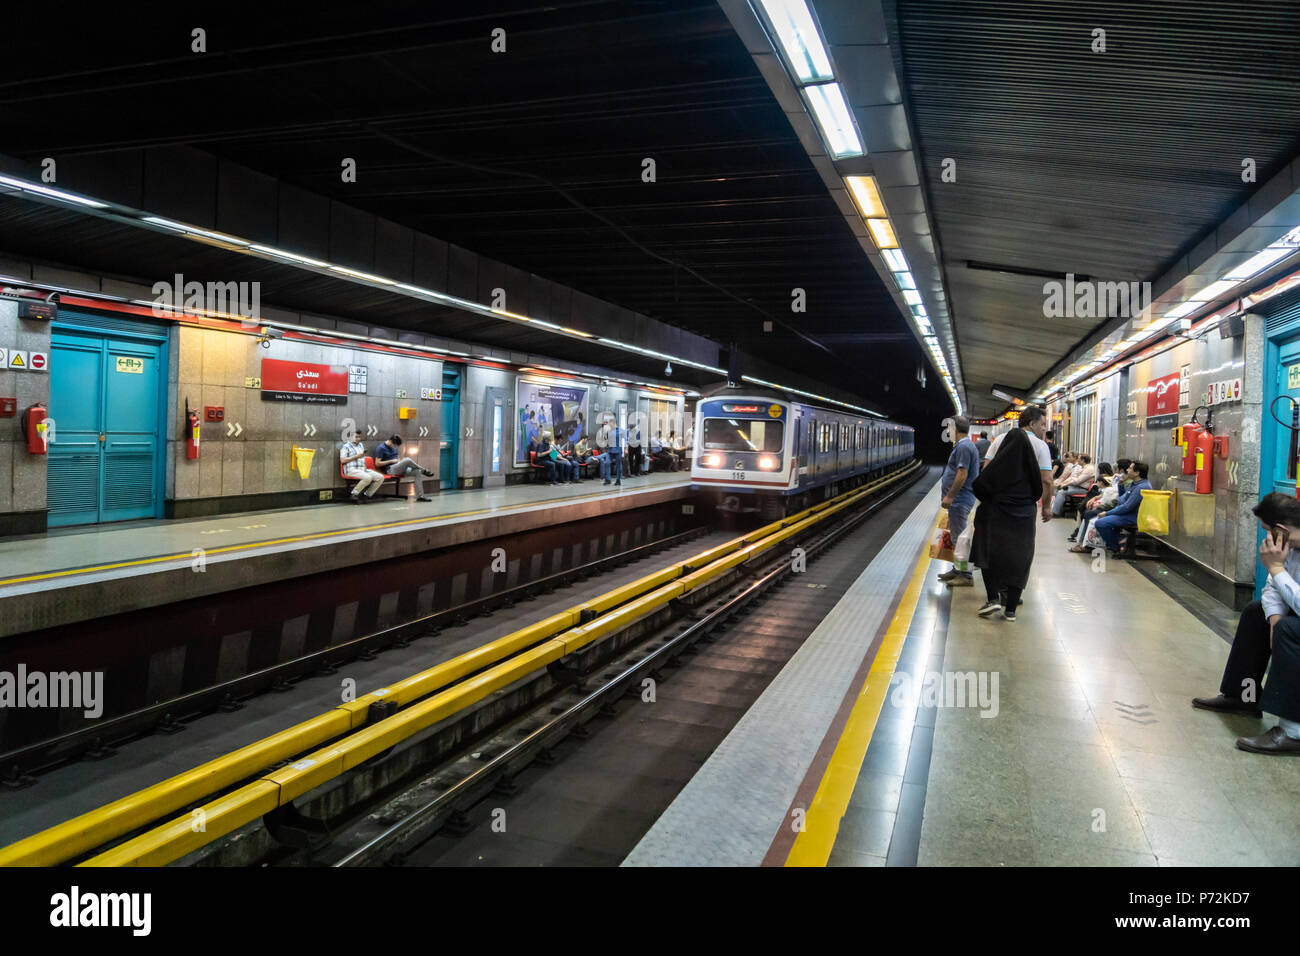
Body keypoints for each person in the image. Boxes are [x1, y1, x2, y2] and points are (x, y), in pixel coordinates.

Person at [1193, 493, 1300, 754]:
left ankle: (1293, 733)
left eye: (1267, 529)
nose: (1265, 536)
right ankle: (1244, 696)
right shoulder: (1291, 548)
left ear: (1281, 530)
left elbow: (1280, 581)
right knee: (1256, 612)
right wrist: (1274, 620)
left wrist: (1276, 568)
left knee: (1291, 628)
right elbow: (1272, 589)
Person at [969, 407, 1054, 622]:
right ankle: (1011, 610)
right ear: (1032, 424)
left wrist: (986, 498)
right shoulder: (1041, 446)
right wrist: (1046, 506)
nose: (1044, 429)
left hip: (996, 506)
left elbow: (986, 472)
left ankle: (993, 598)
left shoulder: (999, 441)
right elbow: (1046, 480)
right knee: (1020, 554)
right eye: (1043, 424)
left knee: (990, 550)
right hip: (1025, 510)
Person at [937, 416, 980, 588]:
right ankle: (957, 569)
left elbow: (962, 474)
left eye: (949, 428)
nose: (947, 431)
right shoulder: (964, 446)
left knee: (961, 539)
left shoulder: (963, 447)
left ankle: (966, 574)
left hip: (960, 499)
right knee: (958, 538)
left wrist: (950, 496)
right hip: (960, 499)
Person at [1092, 461, 1152, 552]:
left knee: (1100, 523)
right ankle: (1117, 543)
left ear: (1137, 473)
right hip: (1128, 513)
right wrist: (1120, 485)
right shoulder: (1135, 484)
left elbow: (1127, 507)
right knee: (1102, 520)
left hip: (1134, 516)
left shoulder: (1141, 487)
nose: (1127, 470)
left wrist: (1107, 513)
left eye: (1130, 468)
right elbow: (1122, 499)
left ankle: (1118, 542)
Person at [372, 434, 434, 502]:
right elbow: (377, 463)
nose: (395, 447)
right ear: (390, 441)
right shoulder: (381, 448)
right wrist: (391, 461)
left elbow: (397, 459)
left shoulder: (394, 448)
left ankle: (420, 496)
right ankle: (424, 470)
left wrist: (400, 461)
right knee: (407, 459)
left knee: (417, 472)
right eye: (395, 445)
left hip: (398, 468)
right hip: (390, 470)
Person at [340, 429, 386, 503]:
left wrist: (361, 456)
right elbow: (343, 460)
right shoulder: (345, 447)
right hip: (351, 470)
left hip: (362, 469)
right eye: (356, 437)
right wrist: (356, 456)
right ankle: (354, 494)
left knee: (380, 477)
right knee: (368, 477)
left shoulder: (360, 445)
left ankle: (367, 495)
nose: (358, 439)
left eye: (359, 437)